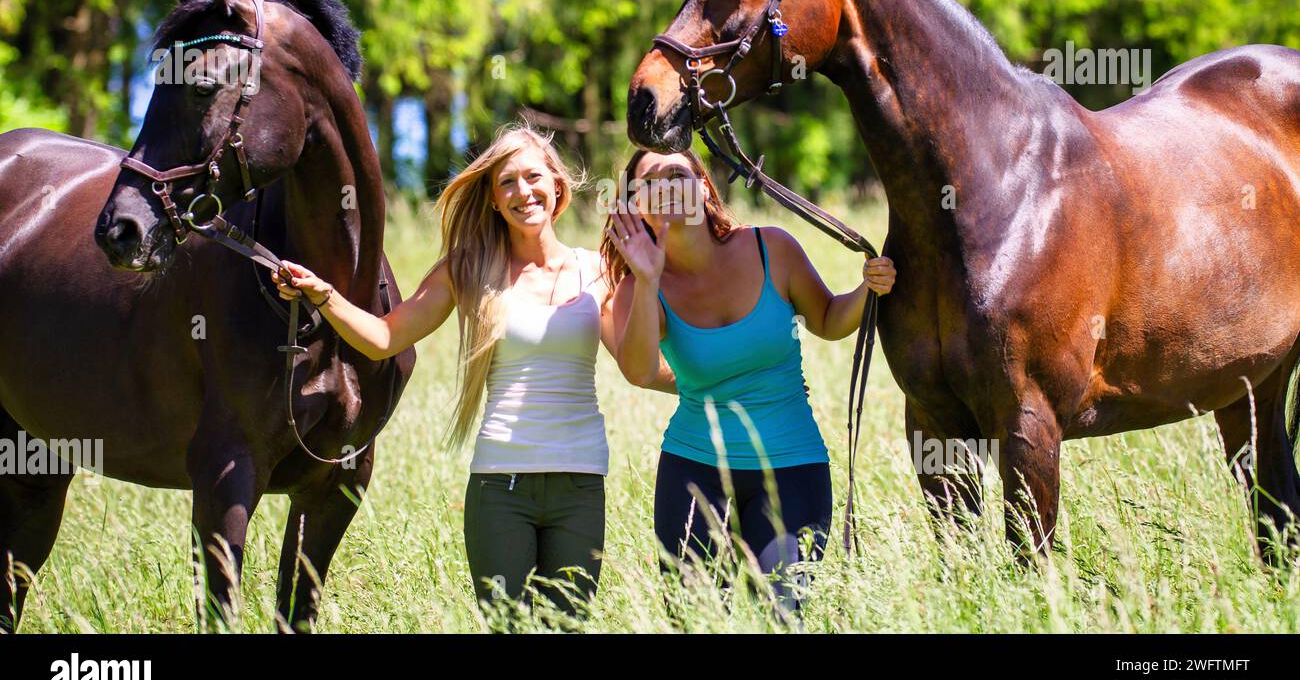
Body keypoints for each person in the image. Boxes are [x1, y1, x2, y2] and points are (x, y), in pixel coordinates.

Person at [272, 123, 673, 623]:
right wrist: (323, 295)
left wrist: (719, 376)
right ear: (491, 199)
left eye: (532, 178)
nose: (522, 192)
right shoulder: (467, 270)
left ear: (556, 185)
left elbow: (640, 368)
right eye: (506, 182)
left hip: (580, 483)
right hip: (499, 488)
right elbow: (384, 338)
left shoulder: (595, 271)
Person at [602, 147, 895, 614]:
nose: (669, 186)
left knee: (782, 610)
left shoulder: (771, 248)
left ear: (703, 186)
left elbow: (828, 318)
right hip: (693, 472)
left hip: (792, 467)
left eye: (677, 174)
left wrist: (868, 289)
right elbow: (638, 370)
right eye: (652, 181)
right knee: (696, 620)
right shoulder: (637, 286)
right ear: (638, 204)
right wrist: (647, 276)